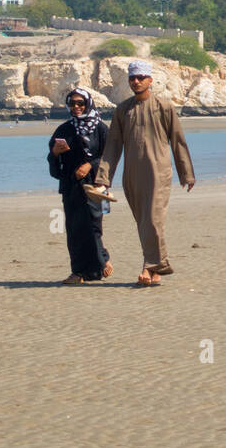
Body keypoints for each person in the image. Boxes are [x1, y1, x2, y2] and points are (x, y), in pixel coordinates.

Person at [88, 60, 195, 288]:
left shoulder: (164, 107)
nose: (136, 82)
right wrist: (103, 180)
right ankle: (157, 269)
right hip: (132, 176)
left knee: (153, 221)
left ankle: (149, 266)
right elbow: (113, 147)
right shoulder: (122, 110)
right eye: (132, 78)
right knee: (143, 222)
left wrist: (186, 173)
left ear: (150, 80)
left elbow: (178, 141)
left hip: (158, 173)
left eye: (140, 78)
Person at [48, 88, 112, 285]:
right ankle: (78, 272)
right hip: (71, 186)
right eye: (72, 103)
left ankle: (102, 261)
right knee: (75, 229)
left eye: (80, 103)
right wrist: (56, 153)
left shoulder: (100, 129)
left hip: (94, 186)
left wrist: (89, 165)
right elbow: (52, 159)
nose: (76, 107)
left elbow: (109, 156)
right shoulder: (64, 129)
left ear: (88, 104)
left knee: (93, 226)